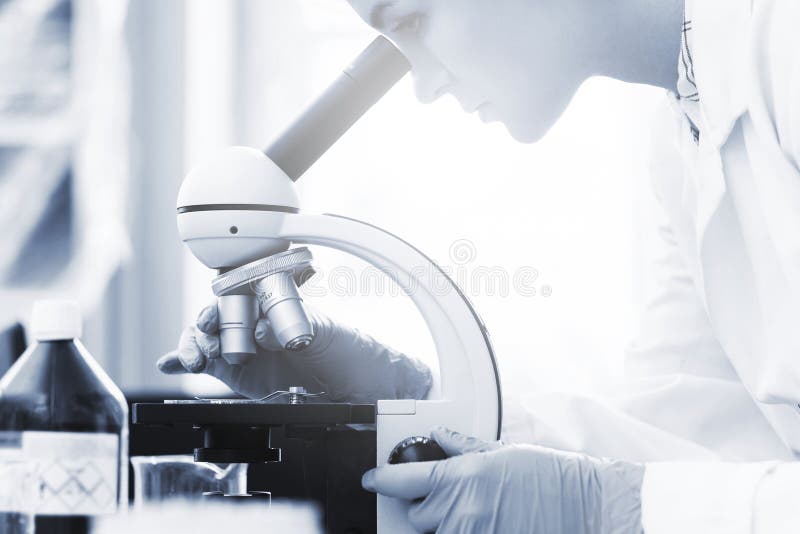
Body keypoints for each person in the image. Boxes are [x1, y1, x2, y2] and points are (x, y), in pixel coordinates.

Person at [158, 0, 800, 531]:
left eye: (408, 20)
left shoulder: (786, 48)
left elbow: (645, 499)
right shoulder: (680, 137)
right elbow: (691, 449)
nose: (425, 85)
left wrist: (609, 510)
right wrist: (414, 399)